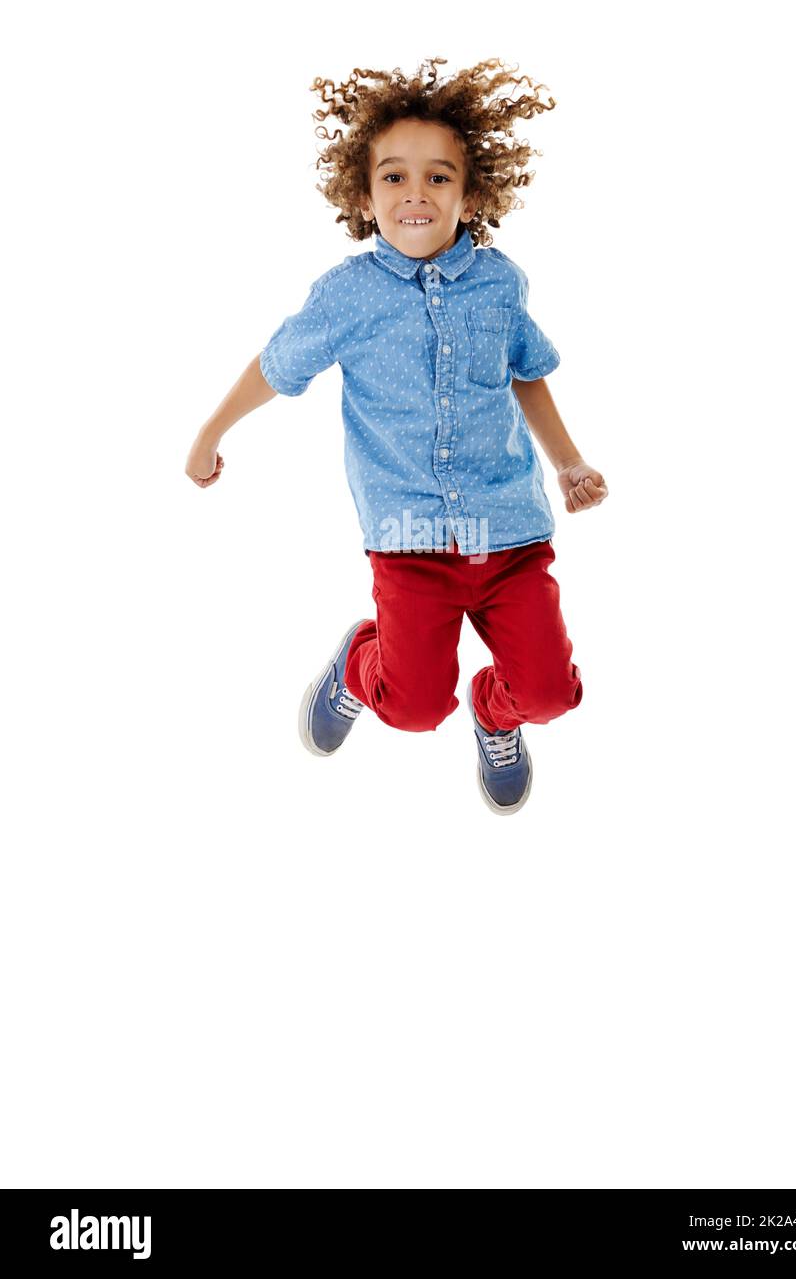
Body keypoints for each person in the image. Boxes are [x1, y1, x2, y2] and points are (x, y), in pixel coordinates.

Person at [185, 57, 608, 816]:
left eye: (438, 177)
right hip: (409, 541)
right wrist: (211, 432)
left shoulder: (499, 282)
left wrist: (569, 461)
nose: (416, 192)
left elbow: (527, 371)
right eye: (394, 177)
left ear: (471, 191)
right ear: (363, 192)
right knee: (412, 708)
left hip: (508, 530)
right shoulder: (347, 294)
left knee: (548, 693)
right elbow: (276, 367)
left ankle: (494, 711)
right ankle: (358, 664)